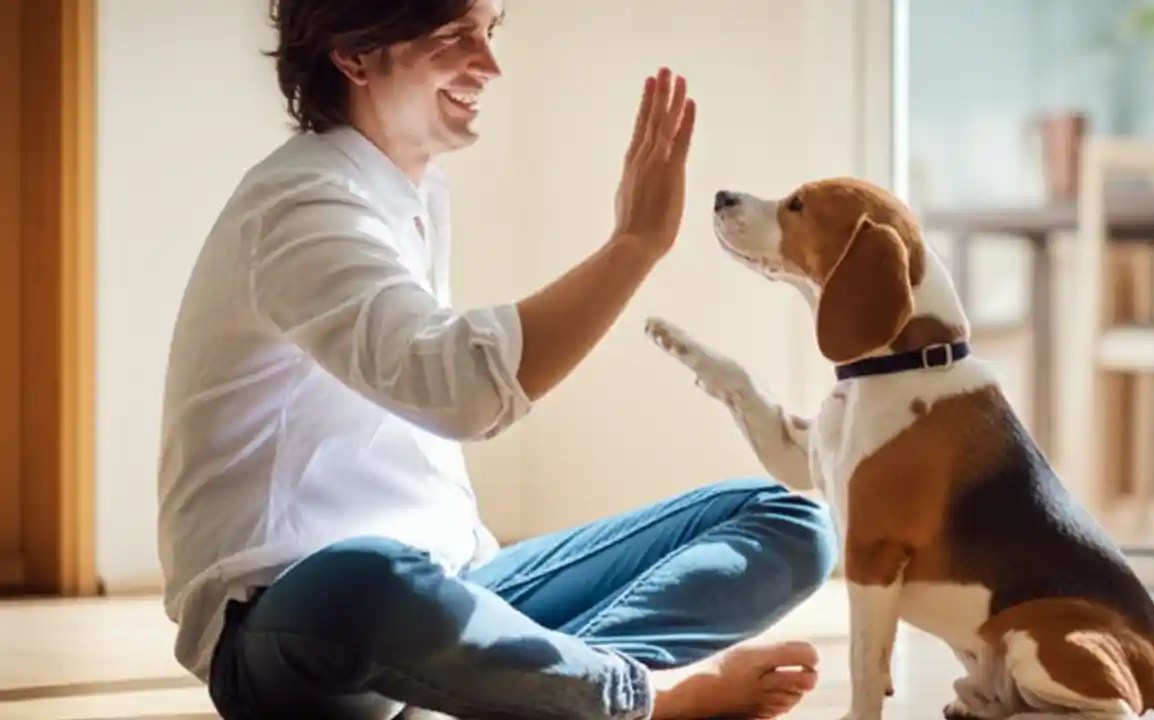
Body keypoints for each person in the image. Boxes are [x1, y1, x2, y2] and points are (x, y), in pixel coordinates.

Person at [156, 1, 838, 718]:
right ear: (353, 55)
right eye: (456, 37)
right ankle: (632, 699)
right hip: (297, 623)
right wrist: (634, 245)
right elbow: (461, 391)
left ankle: (543, 691)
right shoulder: (302, 204)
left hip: (461, 588)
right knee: (367, 578)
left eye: (490, 32)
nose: (490, 65)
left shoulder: (413, 192)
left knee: (788, 520)